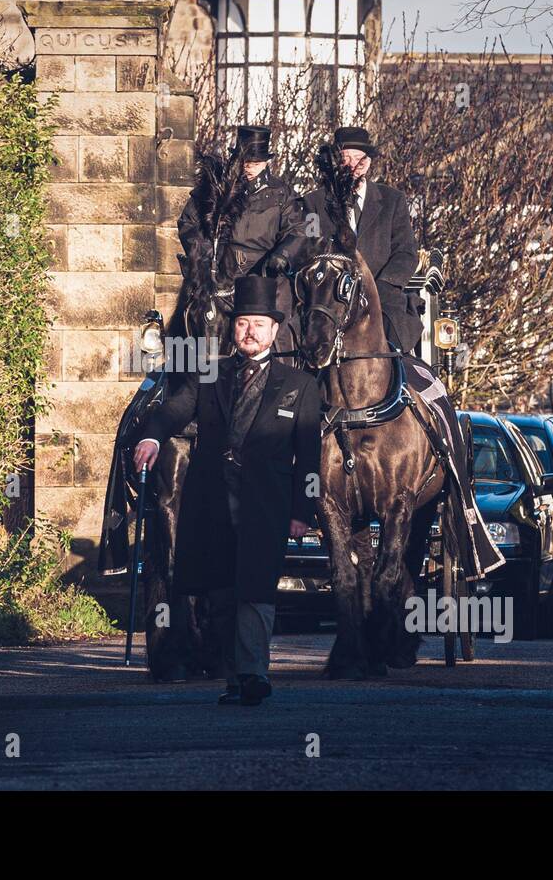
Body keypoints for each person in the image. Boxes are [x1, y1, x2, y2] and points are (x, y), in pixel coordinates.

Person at [133, 276, 321, 706]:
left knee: (255, 590)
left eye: (259, 323)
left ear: (275, 330)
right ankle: (236, 678)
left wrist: (301, 512)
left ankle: (254, 673)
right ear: (233, 329)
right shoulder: (210, 375)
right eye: (242, 324)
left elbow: (307, 458)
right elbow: (175, 409)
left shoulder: (300, 386)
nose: (250, 331)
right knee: (220, 591)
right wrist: (153, 436)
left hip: (266, 505)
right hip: (211, 501)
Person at [177, 125, 309, 356]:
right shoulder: (215, 188)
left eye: (255, 164)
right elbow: (189, 223)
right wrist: (205, 253)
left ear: (266, 162)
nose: (249, 169)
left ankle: (280, 371)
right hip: (221, 270)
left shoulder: (282, 193)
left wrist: (282, 256)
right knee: (197, 320)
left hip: (267, 274)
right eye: (245, 163)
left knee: (278, 329)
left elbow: (298, 230)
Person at [300, 127, 423, 354]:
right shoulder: (313, 204)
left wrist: (381, 287)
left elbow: (405, 253)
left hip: (381, 294)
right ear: (335, 161)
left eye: (359, 159)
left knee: (395, 337)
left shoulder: (392, 200)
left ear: (367, 162)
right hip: (331, 297)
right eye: (346, 158)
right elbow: (309, 250)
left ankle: (404, 385)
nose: (353, 165)